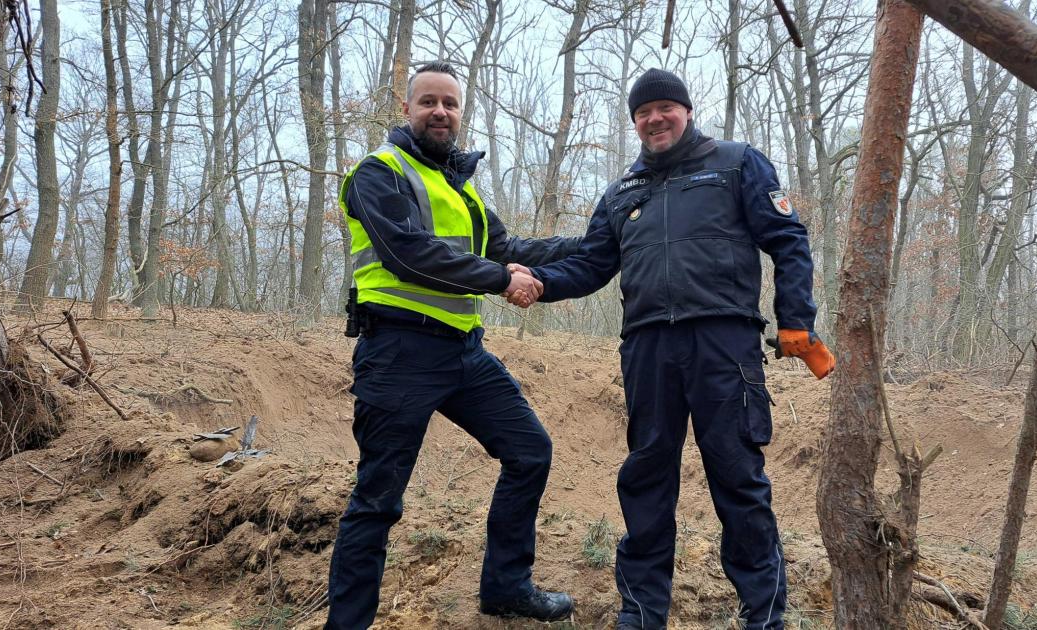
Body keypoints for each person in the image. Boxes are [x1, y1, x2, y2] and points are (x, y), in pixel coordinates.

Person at [512, 68, 835, 630]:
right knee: (646, 475)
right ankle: (641, 611)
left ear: (686, 111)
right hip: (647, 349)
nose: (655, 119)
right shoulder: (622, 192)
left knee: (738, 476)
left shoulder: (737, 163)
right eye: (644, 112)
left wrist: (796, 323)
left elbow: (787, 240)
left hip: (724, 343)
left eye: (666, 107)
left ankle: (764, 615)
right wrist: (539, 284)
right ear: (635, 122)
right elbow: (590, 263)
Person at [326, 61, 578, 629]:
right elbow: (409, 252)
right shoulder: (379, 172)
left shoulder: (458, 186)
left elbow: (509, 245)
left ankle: (506, 589)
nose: (441, 111)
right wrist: (500, 279)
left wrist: (597, 244)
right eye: (429, 102)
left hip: (463, 354)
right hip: (396, 354)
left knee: (529, 452)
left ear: (461, 114)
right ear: (408, 110)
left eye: (451, 104)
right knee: (378, 501)